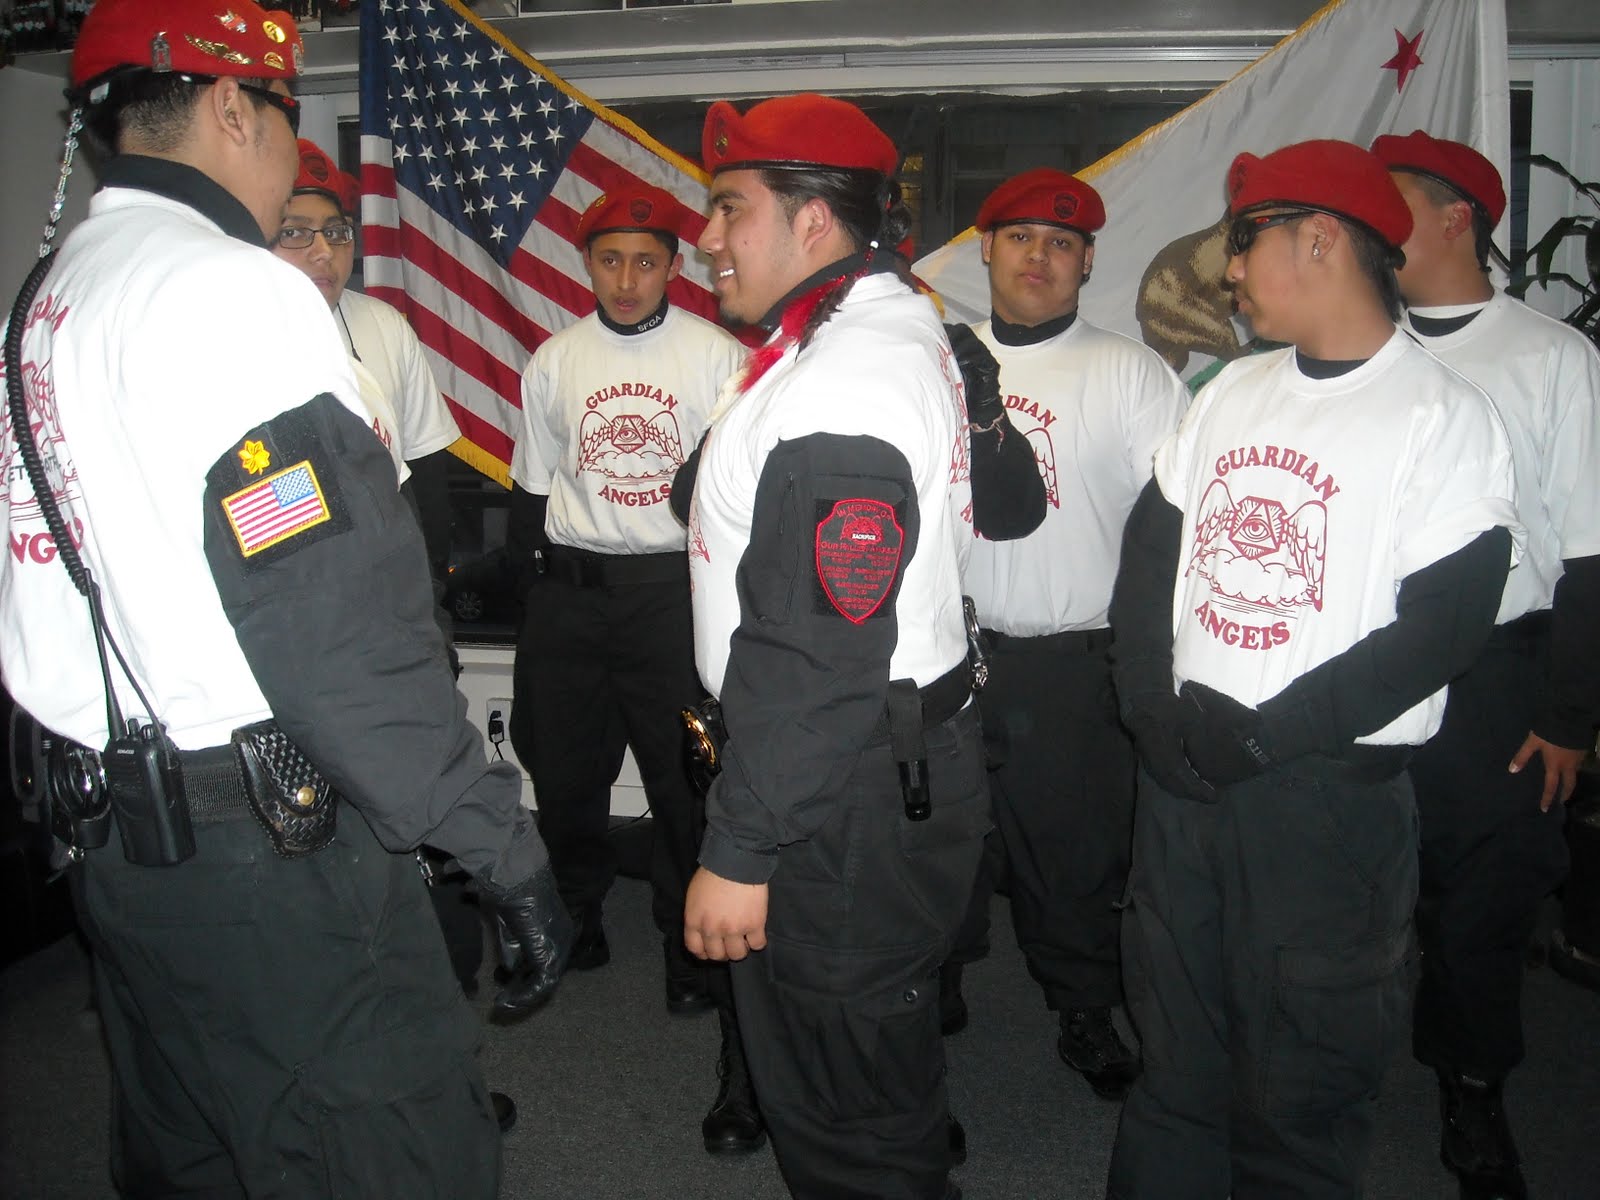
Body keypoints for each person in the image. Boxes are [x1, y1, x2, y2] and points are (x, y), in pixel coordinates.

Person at [0, 2, 569, 1193]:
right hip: (266, 855)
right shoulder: (234, 292)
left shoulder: (48, 295)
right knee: (390, 1156)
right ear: (226, 107)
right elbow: (335, 632)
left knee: (200, 1145)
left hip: (112, 837)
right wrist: (494, 843)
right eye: (279, 109)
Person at [1104, 139, 1521, 1198]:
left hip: (1321, 802)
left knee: (1300, 1084)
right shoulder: (1230, 391)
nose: (1231, 274)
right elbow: (1154, 548)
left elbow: (1444, 627)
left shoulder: (1442, 416)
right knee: (1174, 1055)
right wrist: (1149, 711)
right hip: (1187, 778)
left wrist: (1267, 733)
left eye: (1244, 246)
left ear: (1321, 238)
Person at [681, 92, 989, 1200]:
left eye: (728, 208)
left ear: (813, 224)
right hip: (857, 763)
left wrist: (740, 848)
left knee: (846, 1108)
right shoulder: (854, 330)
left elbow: (819, 659)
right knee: (860, 1077)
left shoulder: (844, 381)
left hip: (834, 783)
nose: (704, 237)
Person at [1371, 129, 1600, 1200]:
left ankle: (1471, 1087)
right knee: (1364, 880)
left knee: (1482, 901)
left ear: (1456, 216)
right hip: (1368, 665)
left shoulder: (1550, 358)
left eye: (1390, 203)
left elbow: (1592, 550)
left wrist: (1566, 714)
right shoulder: (1357, 351)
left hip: (1499, 674)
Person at [942, 167, 1188, 1101]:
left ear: (1087, 261)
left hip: (1069, 661)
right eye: (1019, 238)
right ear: (987, 250)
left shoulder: (1129, 374)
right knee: (947, 839)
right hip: (950, 659)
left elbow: (1172, 534)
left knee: (1074, 854)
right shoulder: (936, 366)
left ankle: (1082, 1007)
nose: (1037, 257)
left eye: (1059, 242)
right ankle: (942, 982)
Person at [506, 182, 745, 1016]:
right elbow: (533, 492)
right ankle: (577, 915)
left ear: (674, 266)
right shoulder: (556, 360)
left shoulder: (718, 357)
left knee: (684, 779)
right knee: (566, 768)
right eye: (610, 260)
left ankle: (690, 946)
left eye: (645, 262)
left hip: (669, 595)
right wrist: (537, 599)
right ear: (587, 265)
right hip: (572, 592)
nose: (627, 279)